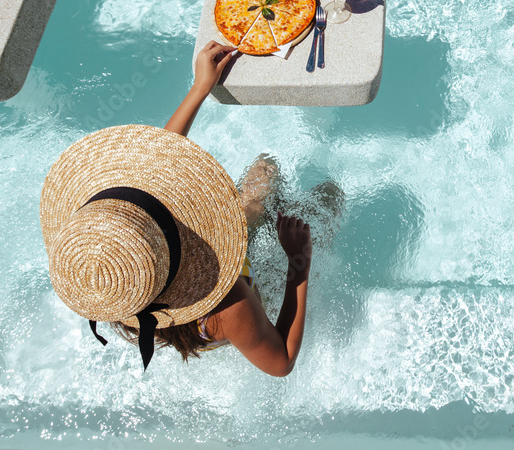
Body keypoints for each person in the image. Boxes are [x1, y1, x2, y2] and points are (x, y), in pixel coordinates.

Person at [39, 41, 312, 377]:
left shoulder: (107, 277)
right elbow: (281, 361)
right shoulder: (228, 304)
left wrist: (200, 87)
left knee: (265, 170)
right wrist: (298, 262)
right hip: (223, 315)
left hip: (171, 297)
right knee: (324, 200)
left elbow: (160, 162)